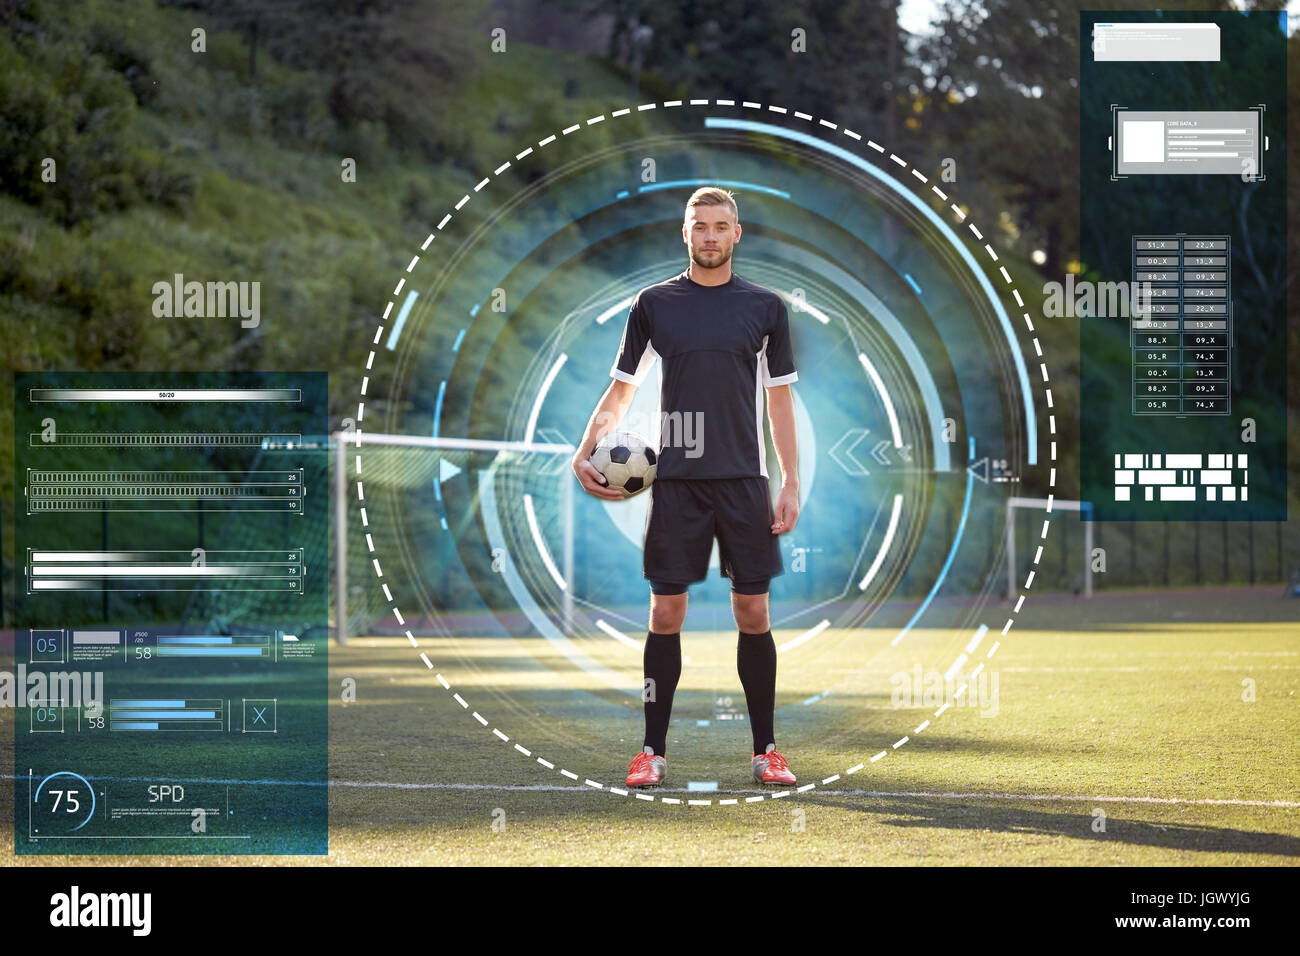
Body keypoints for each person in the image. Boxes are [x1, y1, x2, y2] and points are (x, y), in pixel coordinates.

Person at [570, 186, 800, 788]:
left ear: (737, 234)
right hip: (676, 482)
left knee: (753, 612)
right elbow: (621, 388)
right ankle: (652, 752)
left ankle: (766, 750)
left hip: (745, 481)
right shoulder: (653, 304)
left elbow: (779, 401)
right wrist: (585, 446)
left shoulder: (766, 307)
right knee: (665, 612)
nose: (711, 236)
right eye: (700, 227)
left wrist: (791, 479)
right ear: (686, 233)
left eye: (721, 226)